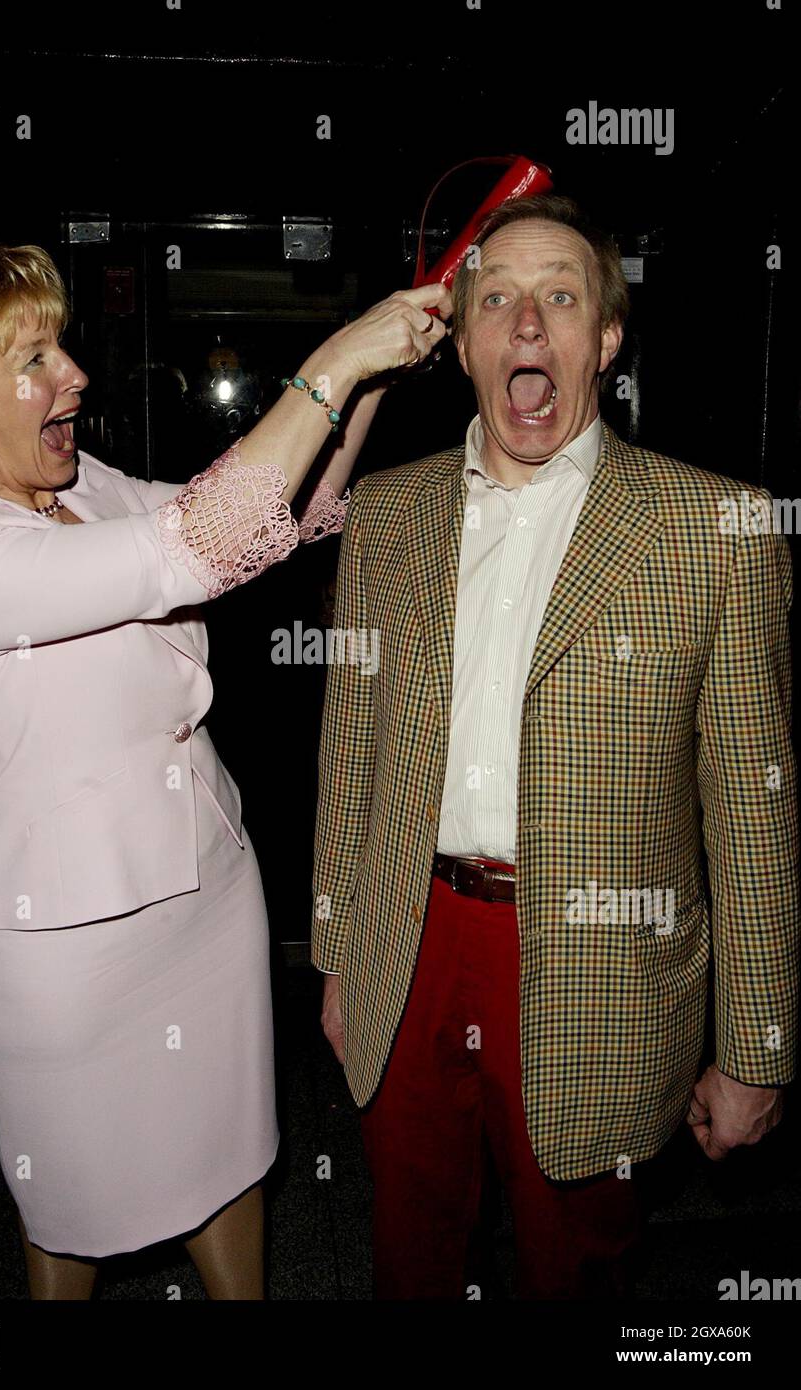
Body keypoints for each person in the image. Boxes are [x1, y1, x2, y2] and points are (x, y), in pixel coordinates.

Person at [0, 229, 452, 1300]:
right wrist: (332, 361)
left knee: (231, 1167)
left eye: (62, 346)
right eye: (35, 358)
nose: (74, 374)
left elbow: (282, 517)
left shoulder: (78, 480)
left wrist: (373, 381)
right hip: (68, 954)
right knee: (72, 1214)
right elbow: (196, 545)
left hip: (208, 901)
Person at [312, 193, 798, 1300]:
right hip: (413, 944)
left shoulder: (716, 530)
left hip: (603, 969)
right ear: (465, 342)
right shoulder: (382, 518)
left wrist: (755, 1047)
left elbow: (753, 810)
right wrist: (339, 952)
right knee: (412, 1254)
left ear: (605, 340)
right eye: (497, 302)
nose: (527, 326)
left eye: (561, 299)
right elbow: (348, 758)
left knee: (577, 1264)